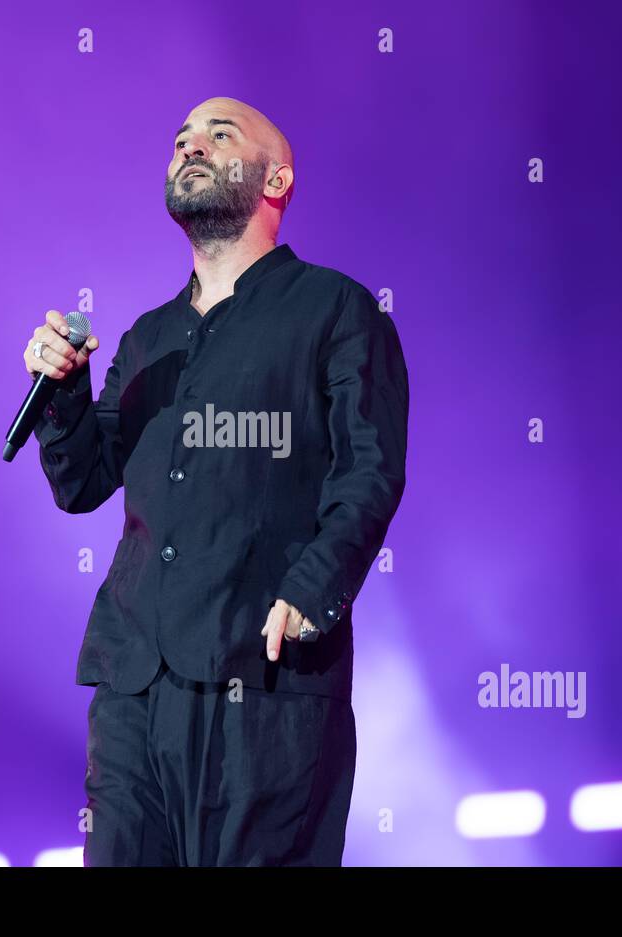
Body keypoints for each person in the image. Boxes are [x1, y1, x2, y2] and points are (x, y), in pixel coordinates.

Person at [25, 97, 409, 865]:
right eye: (179, 141)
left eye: (218, 135)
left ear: (277, 178)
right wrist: (64, 391)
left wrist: (314, 587)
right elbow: (83, 482)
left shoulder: (335, 310)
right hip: (136, 689)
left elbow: (369, 470)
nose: (190, 148)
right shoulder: (149, 339)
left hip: (263, 681)